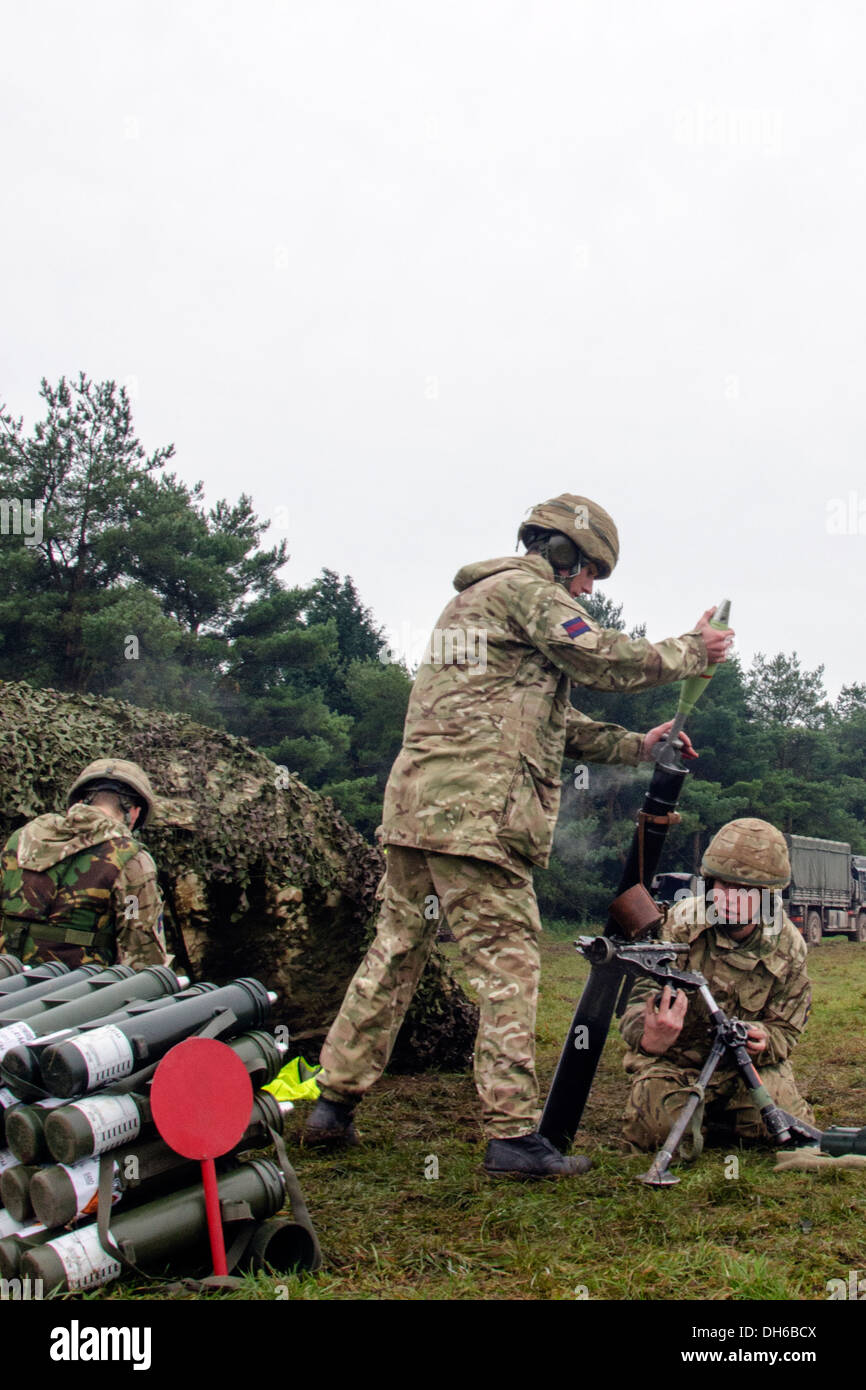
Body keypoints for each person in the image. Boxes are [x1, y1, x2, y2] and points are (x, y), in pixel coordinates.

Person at [304, 492, 733, 1177]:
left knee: (395, 954)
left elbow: (550, 723)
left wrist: (635, 746)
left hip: (418, 816)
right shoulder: (526, 591)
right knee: (509, 964)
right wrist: (690, 651)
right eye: (590, 570)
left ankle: (333, 1102)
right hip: (476, 820)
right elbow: (597, 657)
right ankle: (510, 1137)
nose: (590, 587)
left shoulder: (482, 605)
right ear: (560, 551)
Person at [620, 817, 814, 1159]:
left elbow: (787, 1028)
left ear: (767, 895)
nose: (726, 898)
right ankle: (701, 1115)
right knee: (657, 1134)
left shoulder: (788, 945)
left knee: (783, 1124)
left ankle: (717, 1117)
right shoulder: (679, 926)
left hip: (746, 1069)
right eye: (719, 885)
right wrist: (650, 1036)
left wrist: (764, 1040)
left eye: (741, 889)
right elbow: (636, 1003)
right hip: (677, 1064)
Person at [0, 758, 170, 971]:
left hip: (8, 980)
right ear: (135, 813)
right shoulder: (131, 859)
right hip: (77, 992)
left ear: (79, 801)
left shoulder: (23, 839)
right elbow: (141, 943)